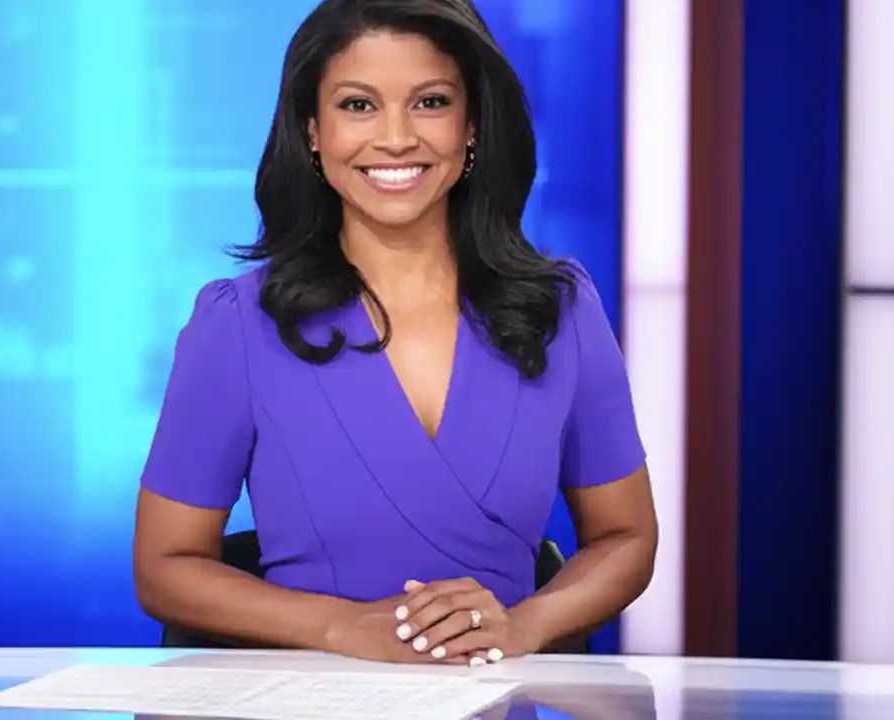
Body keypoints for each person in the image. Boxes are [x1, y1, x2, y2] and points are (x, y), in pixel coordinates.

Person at [132, 0, 656, 667]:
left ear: (472, 125)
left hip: (493, 702)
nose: (397, 138)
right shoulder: (237, 323)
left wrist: (525, 627)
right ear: (311, 132)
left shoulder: (560, 311)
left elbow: (626, 535)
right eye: (358, 105)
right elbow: (164, 566)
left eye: (431, 102)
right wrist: (341, 629)